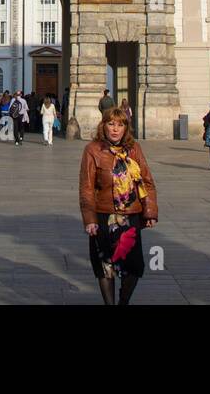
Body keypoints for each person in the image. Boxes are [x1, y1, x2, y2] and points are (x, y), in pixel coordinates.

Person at [79, 106, 158, 305]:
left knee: (134, 266)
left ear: (125, 128)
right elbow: (87, 187)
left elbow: (147, 181)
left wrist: (149, 212)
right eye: (111, 124)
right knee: (106, 266)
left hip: (130, 216)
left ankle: (123, 301)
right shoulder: (93, 150)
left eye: (120, 125)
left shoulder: (134, 149)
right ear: (103, 126)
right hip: (104, 216)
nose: (115, 129)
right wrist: (89, 219)